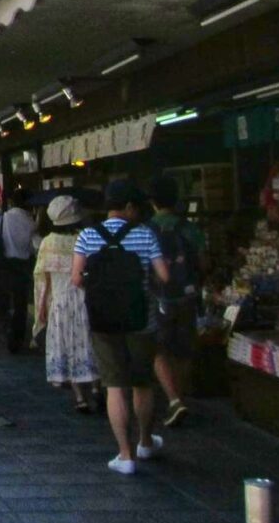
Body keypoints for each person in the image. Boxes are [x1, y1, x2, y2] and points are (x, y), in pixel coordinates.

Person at [71, 179, 169, 475]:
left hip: (104, 321)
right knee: (142, 382)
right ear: (128, 207)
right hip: (142, 320)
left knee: (115, 385)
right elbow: (163, 275)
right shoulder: (145, 235)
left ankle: (125, 455)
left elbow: (76, 278)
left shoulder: (87, 235)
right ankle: (145, 441)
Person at [148, 175, 205, 428]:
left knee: (158, 349)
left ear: (152, 202)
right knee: (183, 349)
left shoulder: (147, 229)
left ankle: (173, 399)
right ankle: (179, 396)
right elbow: (204, 263)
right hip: (187, 295)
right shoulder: (190, 228)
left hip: (157, 296)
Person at [34, 195, 98, 413]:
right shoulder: (86, 237)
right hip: (86, 299)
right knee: (89, 343)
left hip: (59, 302)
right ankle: (97, 386)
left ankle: (80, 396)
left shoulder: (47, 243)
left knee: (68, 347)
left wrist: (40, 309)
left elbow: (42, 278)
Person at [0, 187, 38, 353]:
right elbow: (34, 246)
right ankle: (17, 336)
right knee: (20, 304)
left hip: (3, 264)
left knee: (1, 300)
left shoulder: (1, 217)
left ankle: (6, 329)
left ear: (12, 202)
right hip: (22, 266)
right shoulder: (31, 223)